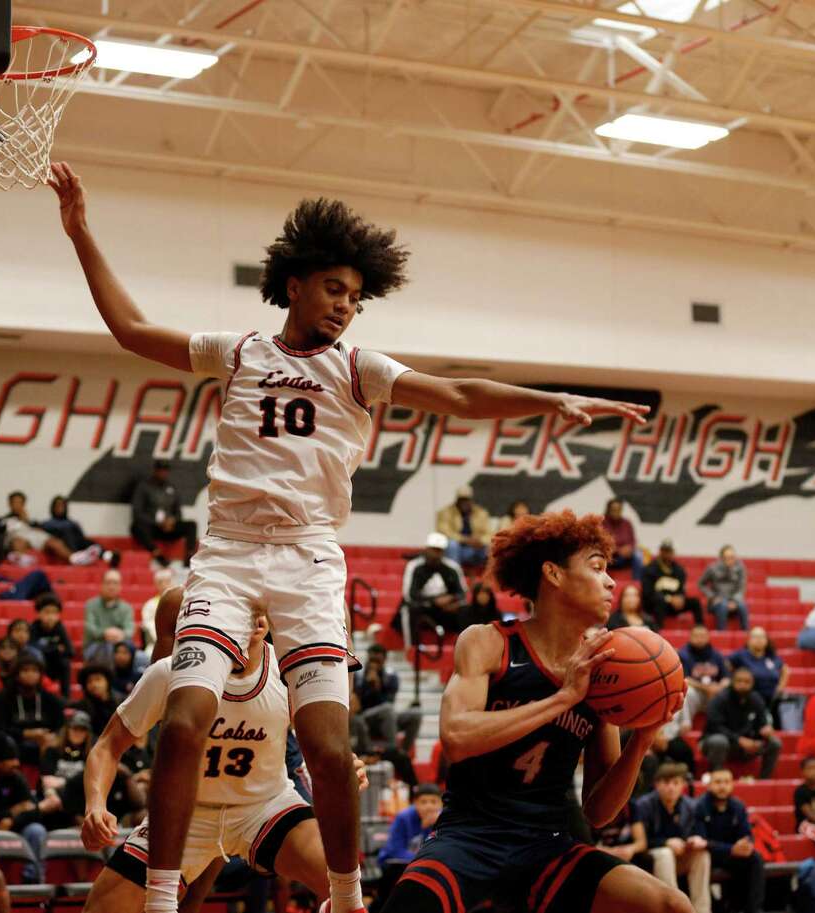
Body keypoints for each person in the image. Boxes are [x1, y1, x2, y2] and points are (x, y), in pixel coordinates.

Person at [50, 163, 648, 913]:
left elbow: (458, 394)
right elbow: (132, 331)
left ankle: (346, 895)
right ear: (294, 282)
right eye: (335, 288)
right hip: (230, 554)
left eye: (357, 298)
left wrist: (548, 399)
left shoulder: (358, 368)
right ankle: (164, 897)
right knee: (184, 721)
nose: (346, 306)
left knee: (331, 748)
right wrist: (80, 231)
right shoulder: (238, 353)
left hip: (306, 559)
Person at [383, 511, 689, 913]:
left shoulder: (605, 671)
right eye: (596, 567)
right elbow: (457, 738)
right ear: (554, 574)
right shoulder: (488, 642)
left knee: (671, 905)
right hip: (469, 838)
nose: (611, 580)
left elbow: (598, 811)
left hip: (547, 847)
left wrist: (645, 737)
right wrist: (563, 698)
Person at [80, 607, 368, 912]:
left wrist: (347, 763)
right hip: (186, 815)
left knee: (343, 884)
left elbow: (320, 742)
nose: (255, 617)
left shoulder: (290, 673)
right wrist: (95, 805)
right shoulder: (172, 671)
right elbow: (107, 747)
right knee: (100, 908)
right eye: (243, 608)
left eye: (261, 609)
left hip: (265, 807)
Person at [631, 764, 710, 913]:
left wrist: (694, 839)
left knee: (702, 855)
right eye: (666, 783)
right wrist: (666, 842)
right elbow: (641, 841)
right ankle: (673, 908)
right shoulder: (643, 804)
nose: (671, 788)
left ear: (683, 786)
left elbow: (701, 834)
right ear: (657, 784)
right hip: (649, 859)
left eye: (676, 783)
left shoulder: (691, 805)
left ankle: (702, 910)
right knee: (665, 853)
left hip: (678, 857)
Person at [0, 734, 51, 883]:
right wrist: (9, 812)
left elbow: (34, 811)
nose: (16, 763)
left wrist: (12, 820)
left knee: (36, 830)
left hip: (14, 827)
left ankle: (33, 878)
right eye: (10, 759)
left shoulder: (15, 777)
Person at [692, 769, 764, 913]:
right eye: (718, 782)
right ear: (709, 785)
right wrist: (730, 849)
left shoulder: (738, 806)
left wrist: (746, 845)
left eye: (726, 782)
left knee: (755, 858)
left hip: (732, 855)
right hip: (709, 856)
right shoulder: (699, 806)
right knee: (702, 857)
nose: (722, 786)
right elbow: (701, 841)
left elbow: (748, 835)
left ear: (732, 785)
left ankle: (754, 909)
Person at [700, 666, 780, 778]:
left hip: (746, 747)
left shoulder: (756, 699)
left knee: (774, 743)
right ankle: (717, 778)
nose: (743, 685)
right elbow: (715, 726)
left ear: (753, 683)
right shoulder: (720, 699)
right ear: (732, 682)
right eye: (739, 681)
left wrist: (764, 731)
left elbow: (762, 724)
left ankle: (764, 780)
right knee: (719, 741)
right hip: (718, 744)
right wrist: (739, 740)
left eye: (747, 682)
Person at [0, 654, 66, 765]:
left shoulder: (51, 699)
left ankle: (46, 778)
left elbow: (61, 726)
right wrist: (26, 734)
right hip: (15, 742)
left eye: (35, 671)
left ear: (40, 675)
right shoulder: (3, 698)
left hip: (44, 742)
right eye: (25, 670)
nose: (30, 674)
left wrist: (51, 737)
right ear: (17, 674)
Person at [0, 491, 100, 566]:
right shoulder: (1, 520)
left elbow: (40, 530)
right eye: (15, 502)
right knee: (18, 540)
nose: (17, 505)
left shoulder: (31, 520)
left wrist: (27, 520)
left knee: (53, 541)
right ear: (9, 504)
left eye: (20, 502)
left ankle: (75, 558)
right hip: (15, 537)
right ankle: (20, 559)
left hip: (32, 536)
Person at [353, 643, 422, 754]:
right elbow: (356, 704)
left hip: (387, 718)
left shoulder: (391, 677)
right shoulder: (358, 675)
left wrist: (377, 687)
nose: (374, 664)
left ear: (384, 660)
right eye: (372, 660)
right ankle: (393, 749)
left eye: (377, 661)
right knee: (388, 709)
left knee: (416, 714)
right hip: (365, 718)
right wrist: (367, 685)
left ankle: (404, 752)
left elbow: (390, 701)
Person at [130, 460, 198, 566]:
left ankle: (189, 558)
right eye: (161, 470)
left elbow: (178, 513)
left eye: (165, 471)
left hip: (168, 527)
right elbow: (137, 513)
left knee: (191, 525)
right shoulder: (143, 487)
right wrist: (157, 523)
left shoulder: (171, 488)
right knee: (136, 527)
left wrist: (172, 521)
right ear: (155, 471)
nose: (163, 473)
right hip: (152, 528)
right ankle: (158, 555)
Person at [402, 532, 469, 637]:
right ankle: (412, 648)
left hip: (446, 608)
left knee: (466, 610)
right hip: (424, 607)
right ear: (426, 549)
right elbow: (409, 595)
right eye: (433, 549)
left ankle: (462, 645)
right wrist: (433, 601)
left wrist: (451, 599)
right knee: (408, 609)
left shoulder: (453, 568)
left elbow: (462, 592)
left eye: (439, 550)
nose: (435, 553)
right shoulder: (414, 566)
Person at [676, 623, 728, 730]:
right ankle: (685, 723)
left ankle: (726, 726)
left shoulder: (716, 654)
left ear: (708, 637)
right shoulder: (683, 654)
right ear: (690, 637)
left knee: (729, 692)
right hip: (697, 692)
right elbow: (685, 679)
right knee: (686, 691)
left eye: (703, 636)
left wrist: (718, 687)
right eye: (696, 636)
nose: (700, 639)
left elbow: (726, 678)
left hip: (714, 692)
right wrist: (706, 688)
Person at [378, 783, 442, 867]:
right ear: (415, 803)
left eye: (433, 802)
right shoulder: (403, 817)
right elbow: (395, 850)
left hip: (425, 864)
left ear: (441, 803)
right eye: (423, 802)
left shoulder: (444, 819)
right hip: (397, 863)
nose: (428, 806)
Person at [641, 539, 702, 627]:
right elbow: (647, 593)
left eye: (670, 551)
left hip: (673, 605)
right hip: (655, 605)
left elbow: (681, 590)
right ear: (660, 551)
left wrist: (680, 598)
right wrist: (669, 599)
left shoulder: (679, 570)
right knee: (659, 601)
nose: (668, 554)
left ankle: (700, 628)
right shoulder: (650, 568)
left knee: (695, 602)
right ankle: (658, 629)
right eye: (665, 551)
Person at [727, 627, 787, 711]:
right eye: (755, 637)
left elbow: (785, 669)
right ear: (748, 640)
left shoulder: (772, 656)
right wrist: (732, 679)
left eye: (762, 637)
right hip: (749, 698)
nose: (759, 640)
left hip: (772, 698)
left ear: (766, 640)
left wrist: (781, 686)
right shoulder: (741, 655)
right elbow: (726, 664)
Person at [83, 570, 134, 666]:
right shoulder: (91, 605)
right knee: (110, 650)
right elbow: (90, 629)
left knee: (141, 657)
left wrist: (120, 634)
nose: (112, 587)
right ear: (102, 585)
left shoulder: (127, 608)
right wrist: (105, 633)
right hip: (95, 645)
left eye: (115, 583)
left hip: (120, 646)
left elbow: (130, 630)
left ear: (120, 587)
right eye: (108, 583)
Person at [435, 485, 493, 568]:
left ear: (471, 500)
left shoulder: (481, 512)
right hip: (457, 549)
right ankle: (455, 573)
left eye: (467, 499)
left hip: (476, 548)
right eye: (461, 500)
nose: (464, 502)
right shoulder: (446, 512)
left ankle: (490, 578)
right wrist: (465, 540)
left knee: (493, 547)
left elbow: (489, 533)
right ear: (457, 500)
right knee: (452, 544)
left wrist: (480, 541)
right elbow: (444, 531)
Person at [29, 593, 74, 697]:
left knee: (65, 663)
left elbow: (70, 651)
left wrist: (48, 650)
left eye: (54, 613)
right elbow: (33, 650)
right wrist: (56, 649)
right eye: (47, 612)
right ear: (39, 613)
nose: (50, 616)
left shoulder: (59, 628)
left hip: (54, 666)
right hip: (40, 667)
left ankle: (65, 697)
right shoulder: (33, 628)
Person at [698, 546, 747, 632]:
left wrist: (735, 601)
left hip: (734, 600)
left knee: (743, 606)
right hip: (717, 600)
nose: (730, 560)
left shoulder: (740, 568)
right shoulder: (712, 568)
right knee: (722, 605)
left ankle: (746, 633)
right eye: (727, 558)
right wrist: (712, 596)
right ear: (721, 558)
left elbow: (741, 587)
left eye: (732, 557)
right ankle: (722, 633)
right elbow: (701, 584)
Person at [70, 665, 122, 736]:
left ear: (107, 681)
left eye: (98, 679)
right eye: (89, 681)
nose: (94, 684)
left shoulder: (121, 701)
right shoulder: (83, 706)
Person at [602, 498, 642, 578]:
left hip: (624, 556)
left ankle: (636, 584)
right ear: (608, 510)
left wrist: (630, 548)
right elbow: (601, 542)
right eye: (614, 509)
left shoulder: (627, 523)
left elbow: (633, 541)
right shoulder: (602, 522)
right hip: (609, 556)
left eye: (619, 509)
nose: (616, 512)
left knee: (638, 555)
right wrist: (618, 550)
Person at [139, 567, 174, 652]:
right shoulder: (149, 605)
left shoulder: (179, 602)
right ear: (156, 584)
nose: (164, 585)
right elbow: (148, 624)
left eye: (167, 581)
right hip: (156, 643)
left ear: (172, 583)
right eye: (160, 582)